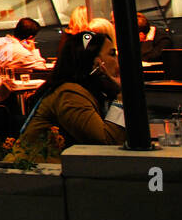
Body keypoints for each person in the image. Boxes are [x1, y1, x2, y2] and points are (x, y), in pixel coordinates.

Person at [12, 30, 125, 162]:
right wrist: (122, 97)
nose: (118, 61)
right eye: (112, 54)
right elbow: (107, 143)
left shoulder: (81, 90)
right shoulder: (69, 94)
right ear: (96, 64)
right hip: (39, 175)